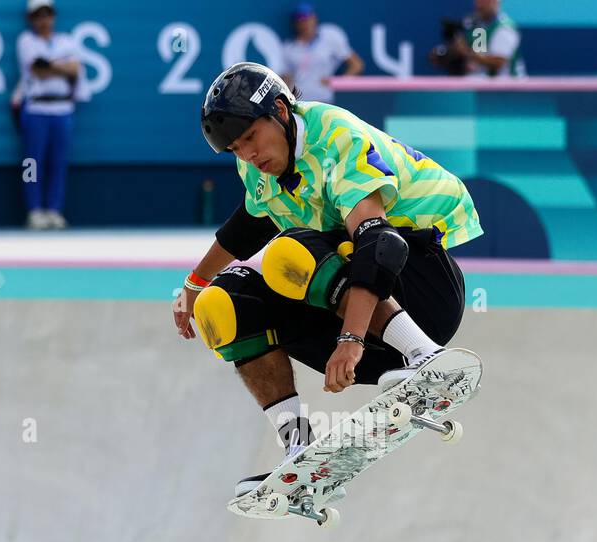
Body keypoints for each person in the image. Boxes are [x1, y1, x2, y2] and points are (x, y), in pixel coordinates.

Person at [178, 62, 482, 498]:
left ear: (281, 112)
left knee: (293, 252)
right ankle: (298, 453)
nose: (248, 155)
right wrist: (195, 284)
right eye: (235, 150)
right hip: (359, 319)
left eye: (250, 138)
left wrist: (351, 339)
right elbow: (249, 223)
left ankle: (425, 358)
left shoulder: (333, 135)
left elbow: (381, 246)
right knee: (224, 303)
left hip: (420, 289)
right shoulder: (257, 169)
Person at [12, 0, 82, 229]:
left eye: (47, 15)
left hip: (62, 110)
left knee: (58, 163)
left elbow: (75, 69)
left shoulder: (66, 40)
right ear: (31, 19)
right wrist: (62, 65)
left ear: (53, 17)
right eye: (38, 16)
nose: (43, 20)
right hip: (36, 109)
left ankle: (53, 210)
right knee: (32, 163)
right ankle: (34, 210)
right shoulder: (26, 41)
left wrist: (51, 65)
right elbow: (37, 70)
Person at [278, 3, 362, 104]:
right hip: (299, 102)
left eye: (307, 18)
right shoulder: (289, 48)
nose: (304, 23)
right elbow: (287, 78)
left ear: (314, 18)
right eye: (300, 20)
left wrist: (337, 82)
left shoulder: (330, 37)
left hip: (324, 100)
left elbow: (356, 65)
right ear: (295, 23)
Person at [429, 0, 526, 78]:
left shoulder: (504, 29)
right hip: (484, 89)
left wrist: (466, 52)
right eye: (478, 0)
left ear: (497, 2)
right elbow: (477, 57)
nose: (479, 4)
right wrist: (447, 53)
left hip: (510, 89)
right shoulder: (478, 27)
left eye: (485, 1)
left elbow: (497, 63)